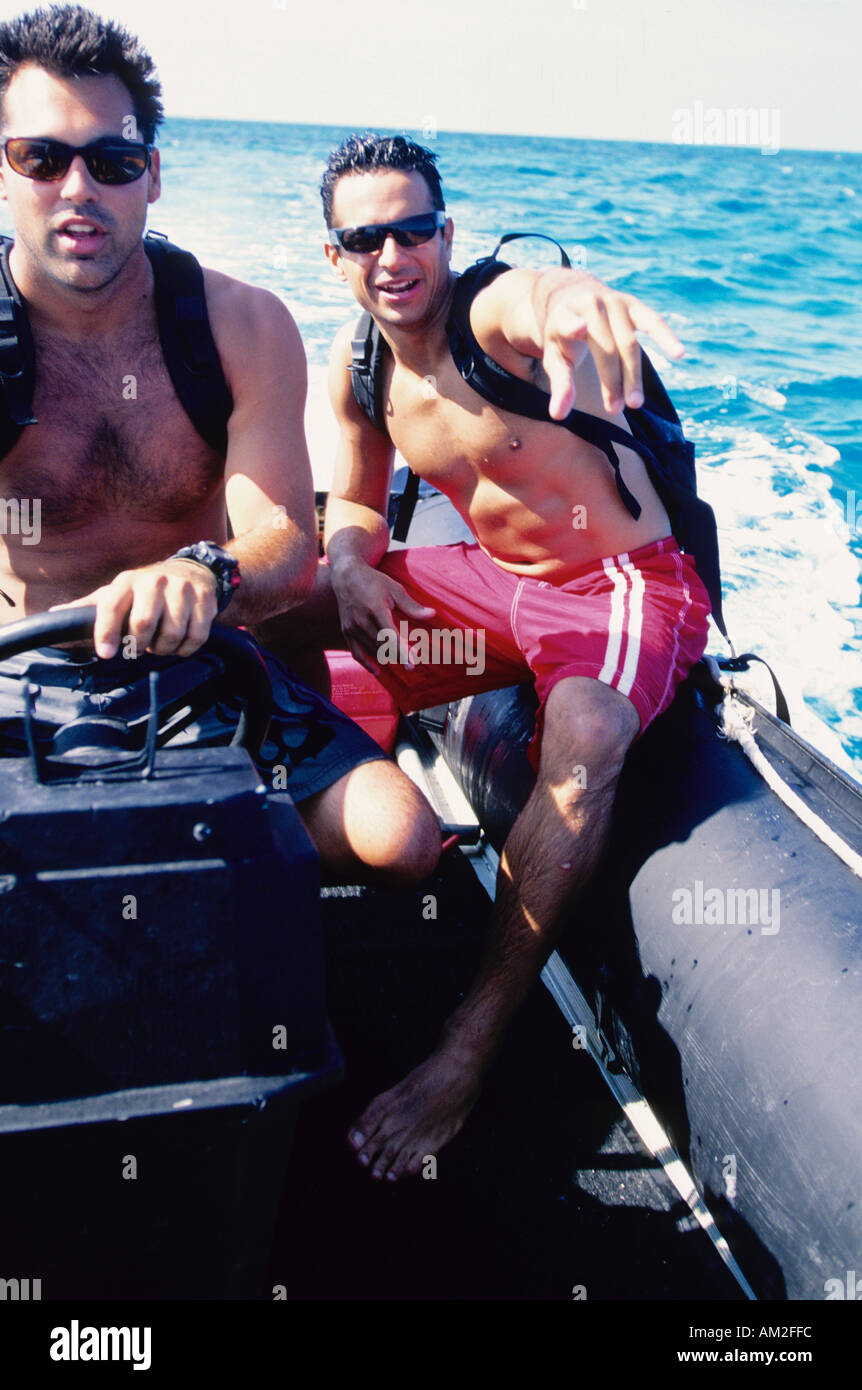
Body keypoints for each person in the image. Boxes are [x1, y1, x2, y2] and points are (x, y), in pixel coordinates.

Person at [268, 133, 713, 1181]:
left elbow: (537, 299)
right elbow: (357, 500)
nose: (393, 254)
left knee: (591, 726)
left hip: (619, 585)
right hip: (497, 591)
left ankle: (465, 1049)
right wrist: (345, 562)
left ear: (446, 234)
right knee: (282, 603)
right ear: (334, 256)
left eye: (413, 228)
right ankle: (281, 821)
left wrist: (568, 300)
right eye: (364, 236)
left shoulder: (485, 312)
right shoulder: (359, 362)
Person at [0, 8, 439, 885]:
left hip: (199, 664)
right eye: (42, 158)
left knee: (402, 840)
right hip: (24, 668)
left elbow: (283, 551)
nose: (79, 188)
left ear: (152, 177)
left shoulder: (239, 324)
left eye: (114, 162)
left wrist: (203, 572)